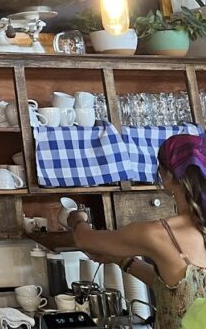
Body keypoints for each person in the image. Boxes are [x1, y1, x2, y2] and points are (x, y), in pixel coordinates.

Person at [69, 133, 206, 328]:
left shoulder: (159, 233)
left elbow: (84, 239)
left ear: (167, 176)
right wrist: (121, 260)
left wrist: (77, 218)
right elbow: (179, 288)